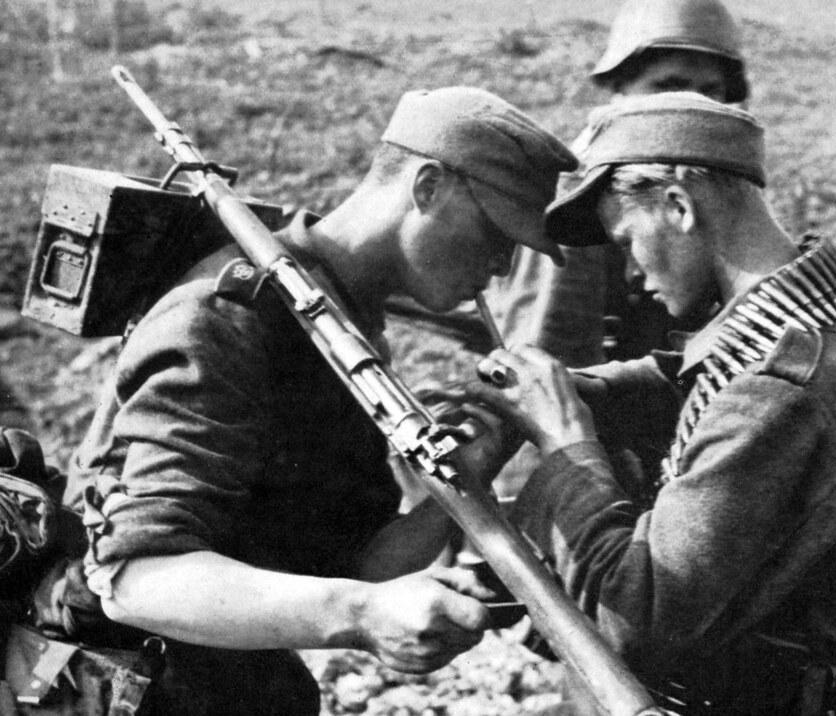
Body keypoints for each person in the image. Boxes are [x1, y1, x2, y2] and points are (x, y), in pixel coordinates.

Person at [51, 87, 577, 715]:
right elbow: (136, 580)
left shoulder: (340, 323)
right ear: (428, 186)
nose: (501, 265)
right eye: (495, 232)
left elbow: (356, 565)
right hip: (125, 684)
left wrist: (466, 478)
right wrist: (361, 614)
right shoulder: (231, 316)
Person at [460, 92, 836, 714]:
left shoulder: (783, 392)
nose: (629, 273)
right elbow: (698, 382)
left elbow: (634, 617)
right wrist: (570, 391)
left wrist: (567, 443)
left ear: (677, 206)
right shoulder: (830, 314)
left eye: (625, 241)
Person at [482, 0, 751, 501]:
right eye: (668, 86)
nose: (690, 106)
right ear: (620, 93)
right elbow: (548, 377)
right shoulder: (586, 196)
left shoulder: (698, 186)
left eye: (710, 92)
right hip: (577, 488)